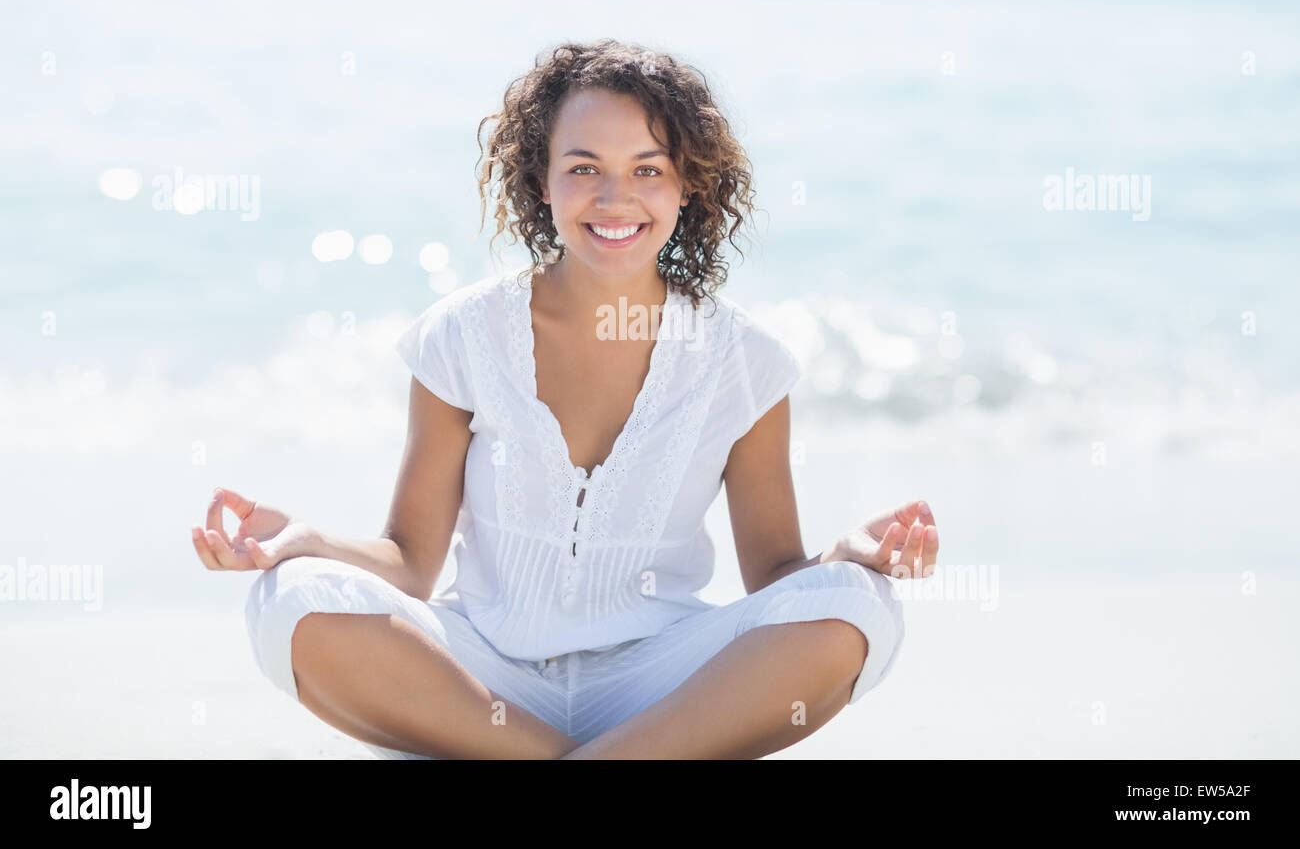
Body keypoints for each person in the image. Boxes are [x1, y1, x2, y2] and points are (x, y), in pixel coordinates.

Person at [191, 39, 940, 759]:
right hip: (481, 676)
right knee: (289, 598)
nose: (616, 197)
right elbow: (411, 561)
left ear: (688, 185)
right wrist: (309, 540)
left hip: (665, 685)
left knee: (857, 605)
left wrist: (846, 556)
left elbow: (774, 577)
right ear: (539, 179)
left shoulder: (743, 362)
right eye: (584, 167)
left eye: (649, 170)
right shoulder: (463, 336)